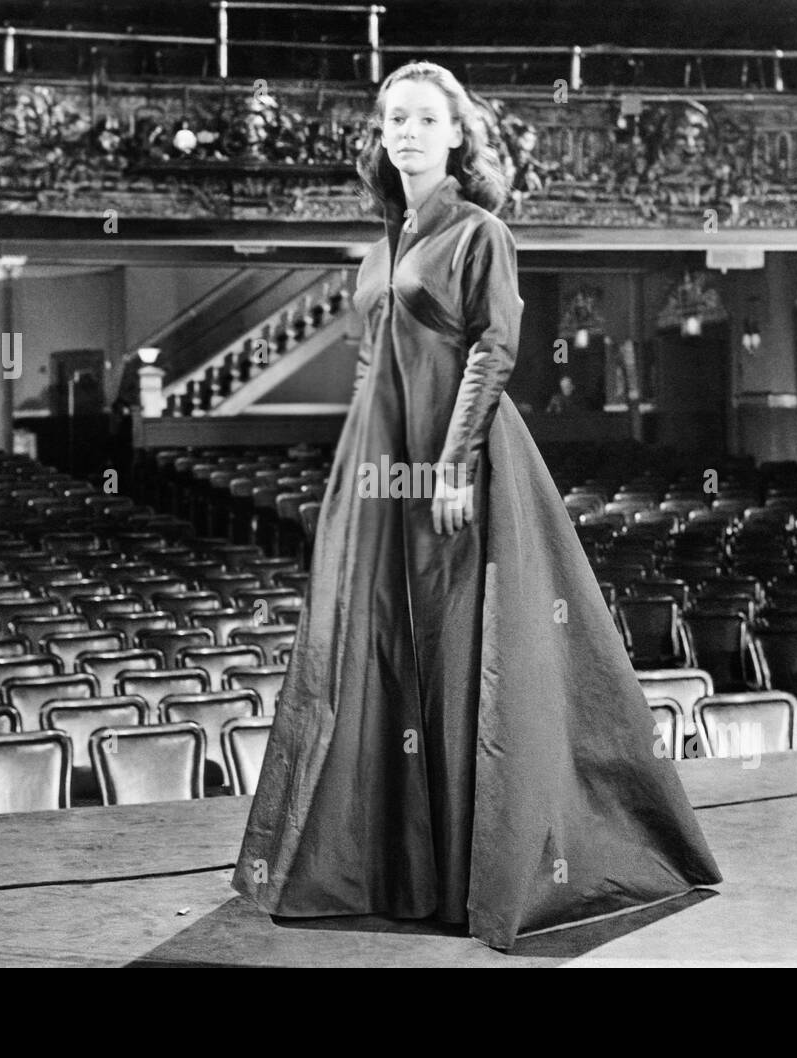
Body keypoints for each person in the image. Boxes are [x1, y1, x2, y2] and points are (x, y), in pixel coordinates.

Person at [231, 60, 721, 951]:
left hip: (461, 466)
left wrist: (453, 465)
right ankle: (385, 869)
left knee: (461, 657)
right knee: (370, 655)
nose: (407, 133)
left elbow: (494, 352)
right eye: (394, 119)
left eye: (425, 119)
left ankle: (471, 876)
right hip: (378, 473)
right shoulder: (381, 246)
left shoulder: (480, 233)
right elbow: (370, 367)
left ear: (456, 134)